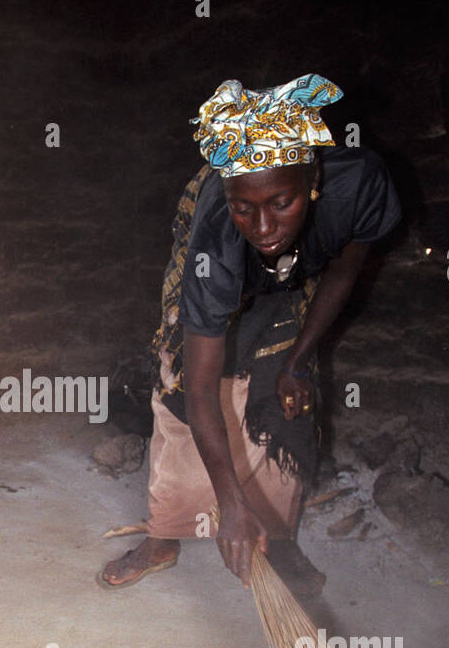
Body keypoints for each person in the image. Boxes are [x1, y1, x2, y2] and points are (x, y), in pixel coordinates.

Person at [99, 73, 402, 592]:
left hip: (297, 273)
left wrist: (295, 363)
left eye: (281, 202)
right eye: (245, 207)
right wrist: (230, 506)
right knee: (178, 395)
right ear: (228, 197)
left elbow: (346, 270)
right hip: (212, 271)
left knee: (282, 400)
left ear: (311, 183)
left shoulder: (360, 184)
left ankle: (277, 538)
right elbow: (199, 391)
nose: (263, 227)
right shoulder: (216, 238)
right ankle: (164, 534)